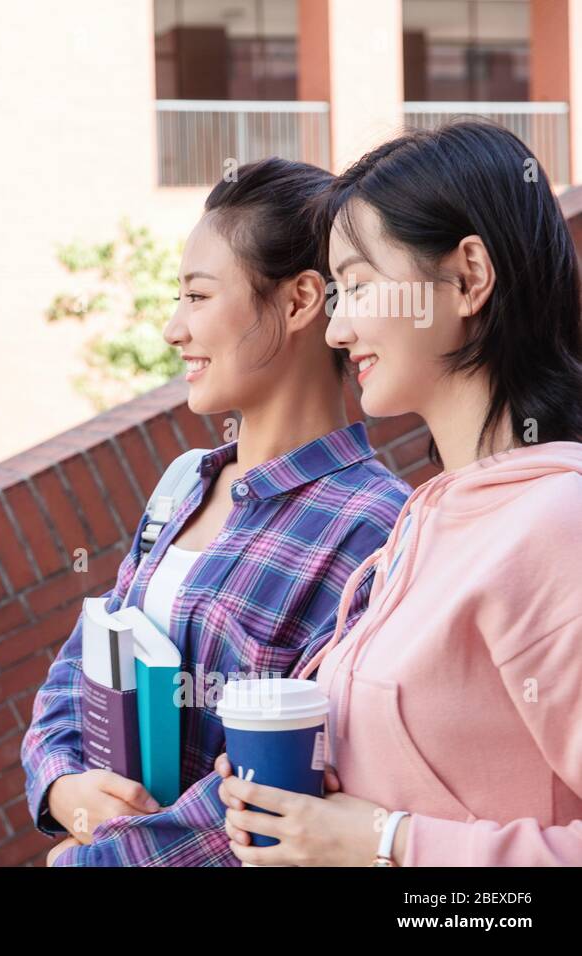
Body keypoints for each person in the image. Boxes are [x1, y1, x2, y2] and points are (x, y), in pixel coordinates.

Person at [21, 159, 411, 866]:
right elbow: (78, 667)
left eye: (198, 297)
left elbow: (283, 785)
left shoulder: (376, 528)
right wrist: (64, 790)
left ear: (298, 303)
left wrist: (92, 861)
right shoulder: (182, 484)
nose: (174, 329)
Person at [218, 122, 582, 866]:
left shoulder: (556, 525)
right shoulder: (432, 519)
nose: (337, 328)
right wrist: (303, 807)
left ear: (468, 277)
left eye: (357, 284)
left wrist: (389, 845)